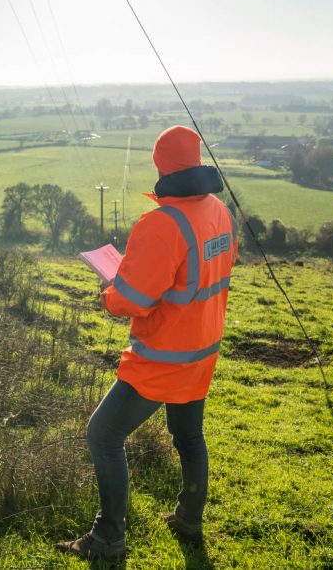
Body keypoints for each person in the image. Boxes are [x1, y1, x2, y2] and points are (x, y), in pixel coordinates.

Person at [56, 125, 238, 560]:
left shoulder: (160, 223)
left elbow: (133, 300)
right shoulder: (218, 210)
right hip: (202, 349)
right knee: (189, 435)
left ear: (160, 166)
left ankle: (108, 538)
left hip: (162, 358)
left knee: (103, 434)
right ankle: (189, 519)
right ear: (196, 160)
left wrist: (109, 290)